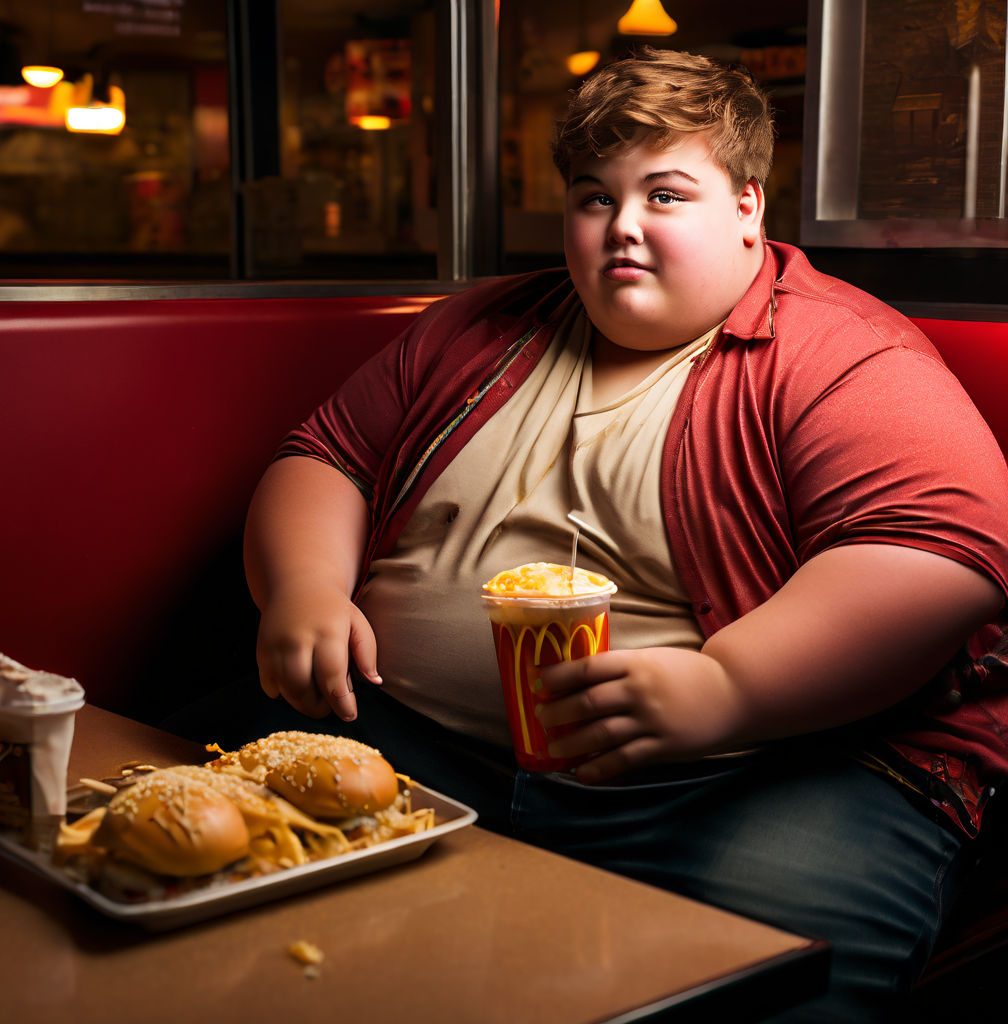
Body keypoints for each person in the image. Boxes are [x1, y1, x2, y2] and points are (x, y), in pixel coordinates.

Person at [240, 49, 1008, 1020]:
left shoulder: (846, 353)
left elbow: (942, 552)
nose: (624, 227)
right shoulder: (478, 324)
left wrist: (731, 688)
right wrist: (303, 586)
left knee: (768, 975)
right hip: (409, 740)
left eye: (666, 194)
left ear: (746, 207)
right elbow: (328, 455)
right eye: (594, 197)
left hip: (756, 772)